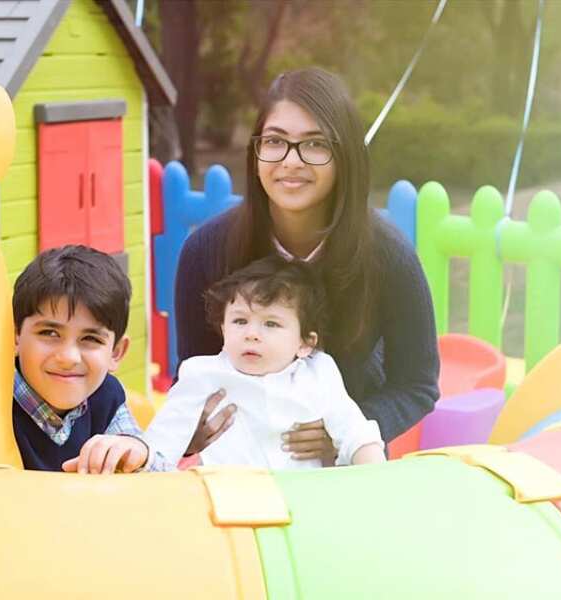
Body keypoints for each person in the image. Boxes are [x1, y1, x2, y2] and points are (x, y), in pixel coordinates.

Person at [175, 67, 440, 463]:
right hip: (241, 471)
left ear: (345, 154)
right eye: (275, 142)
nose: (291, 161)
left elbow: (417, 383)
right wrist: (190, 431)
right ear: (255, 151)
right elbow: (192, 371)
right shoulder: (206, 250)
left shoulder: (389, 257)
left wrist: (347, 431)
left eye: (314, 144)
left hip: (349, 466)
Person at [145, 256, 385, 469]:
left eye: (271, 324)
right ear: (223, 328)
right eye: (239, 321)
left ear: (305, 343)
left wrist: (376, 474)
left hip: (306, 497)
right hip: (228, 499)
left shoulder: (319, 371)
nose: (251, 334)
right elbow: (163, 438)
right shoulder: (202, 374)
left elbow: (354, 431)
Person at [12, 245, 167, 474]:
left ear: (116, 352)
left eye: (90, 338)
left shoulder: (107, 396)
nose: (68, 358)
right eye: (49, 333)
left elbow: (164, 479)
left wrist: (138, 452)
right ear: (15, 336)